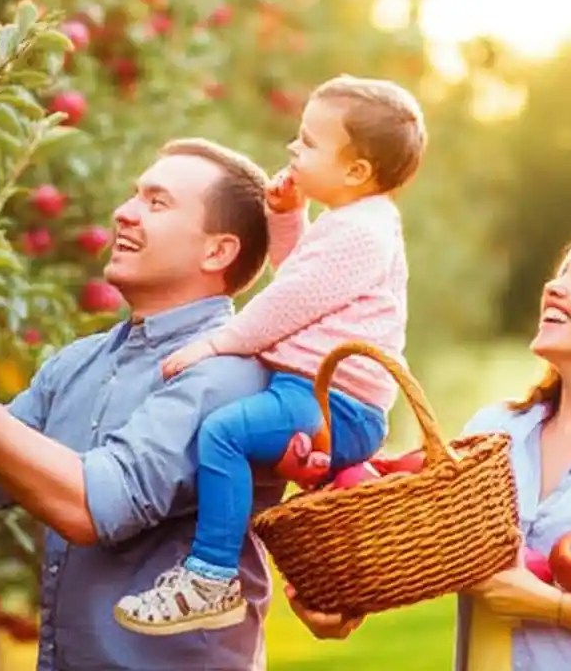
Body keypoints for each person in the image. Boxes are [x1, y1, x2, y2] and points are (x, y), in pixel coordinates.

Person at [0, 138, 284, 670]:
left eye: (156, 203)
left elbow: (95, 506)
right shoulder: (79, 365)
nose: (124, 213)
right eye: (134, 195)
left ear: (217, 251)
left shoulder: (229, 373)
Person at [287, 225, 571, 670]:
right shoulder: (494, 433)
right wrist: (347, 601)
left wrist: (553, 606)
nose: (553, 287)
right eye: (560, 273)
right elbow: (425, 552)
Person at [113, 75, 429, 636]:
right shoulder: (352, 224)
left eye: (308, 143)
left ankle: (210, 577)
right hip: (313, 396)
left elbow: (289, 301)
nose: (292, 150)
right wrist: (287, 215)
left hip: (336, 406)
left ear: (356, 171)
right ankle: (210, 572)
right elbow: (303, 274)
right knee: (230, 434)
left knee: (223, 434)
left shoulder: (364, 231)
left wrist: (217, 341)